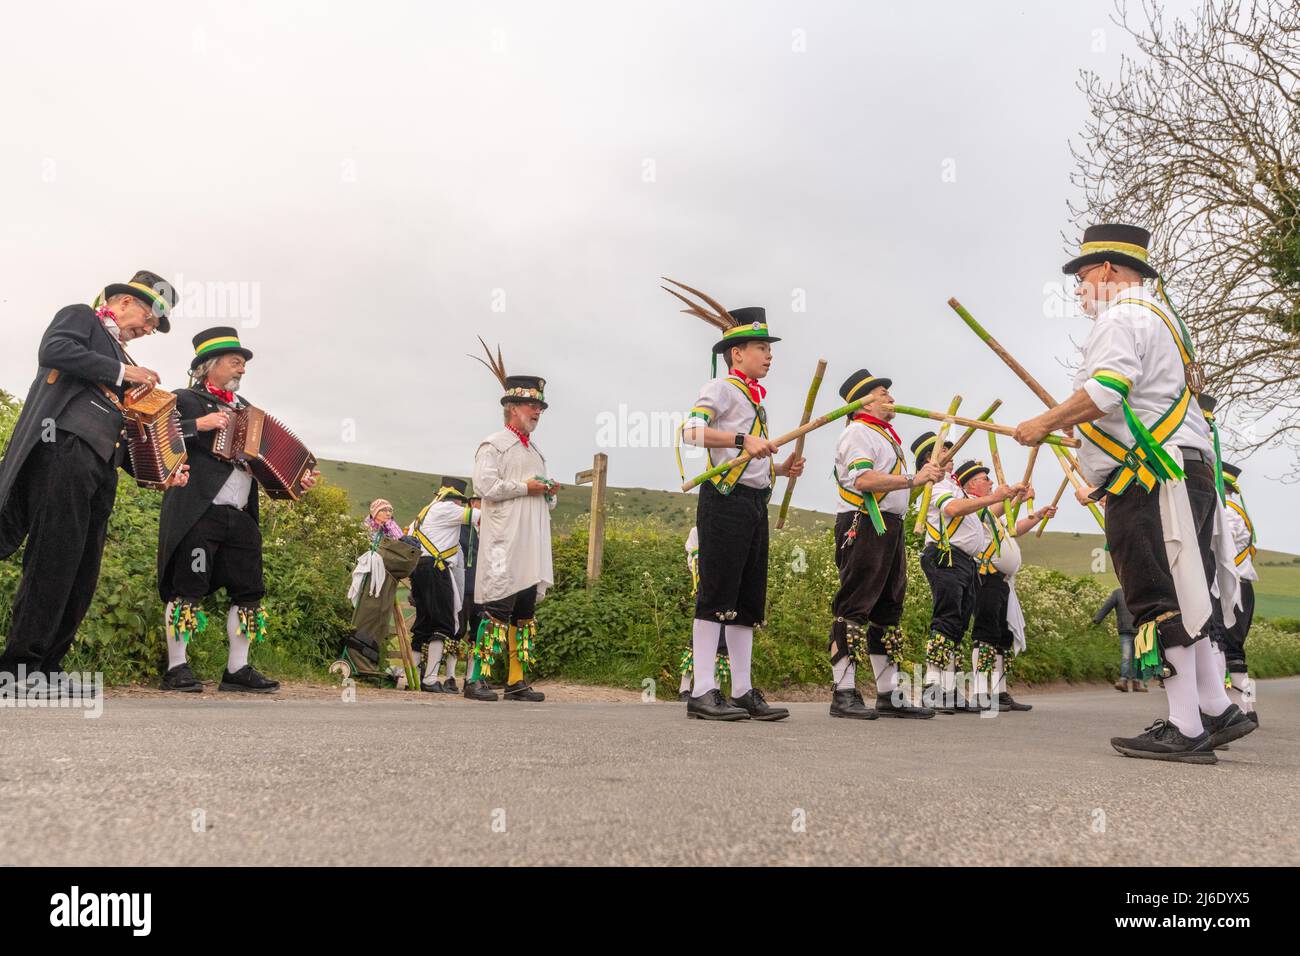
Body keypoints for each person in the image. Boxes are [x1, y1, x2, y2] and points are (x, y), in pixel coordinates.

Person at [1013, 223, 1253, 763]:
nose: (1077, 291)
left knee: (1154, 594)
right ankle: (1212, 708)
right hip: (1184, 470)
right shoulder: (1163, 319)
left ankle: (1186, 726)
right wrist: (1079, 432)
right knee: (1187, 587)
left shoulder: (1121, 316)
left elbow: (1108, 389)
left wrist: (1041, 422)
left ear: (1105, 271)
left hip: (1150, 481)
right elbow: (1135, 404)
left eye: (1080, 278)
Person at [0, 271, 186, 692]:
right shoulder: (81, 318)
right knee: (53, 559)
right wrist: (123, 372)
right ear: (121, 301)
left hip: (100, 468)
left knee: (83, 568)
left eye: (156, 323)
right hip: (63, 448)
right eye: (150, 316)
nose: (150, 328)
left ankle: (48, 668)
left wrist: (160, 473)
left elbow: (125, 434)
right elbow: (54, 349)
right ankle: (18, 669)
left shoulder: (125, 362)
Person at [156, 327, 319, 693]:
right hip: (199, 510)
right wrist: (199, 424)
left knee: (250, 592)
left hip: (241, 514)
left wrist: (298, 481)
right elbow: (156, 436)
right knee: (187, 589)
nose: (241, 369)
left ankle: (237, 669)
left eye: (243, 364)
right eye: (235, 362)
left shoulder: (248, 412)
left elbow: (271, 463)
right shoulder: (184, 399)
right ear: (209, 366)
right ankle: (176, 667)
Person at [669, 279, 804, 721]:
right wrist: (743, 438)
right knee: (716, 592)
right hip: (723, 501)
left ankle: (743, 689)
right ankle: (703, 690)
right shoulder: (721, 388)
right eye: (760, 346)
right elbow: (690, 431)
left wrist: (779, 469)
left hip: (752, 502)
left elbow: (744, 455)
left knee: (747, 598)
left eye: (769, 347)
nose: (769, 354)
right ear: (736, 353)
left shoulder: (755, 398)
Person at [827, 369, 939, 719]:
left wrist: (925, 478)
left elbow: (896, 484)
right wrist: (913, 478)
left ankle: (889, 693)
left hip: (891, 525)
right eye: (882, 393)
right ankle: (843, 692)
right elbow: (863, 479)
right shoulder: (858, 433)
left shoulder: (884, 436)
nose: (891, 397)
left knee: (889, 607)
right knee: (854, 603)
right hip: (864, 523)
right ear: (865, 401)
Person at [465, 340, 554, 703]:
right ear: (512, 408)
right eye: (532, 405)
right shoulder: (494, 445)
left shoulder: (535, 451)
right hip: (504, 540)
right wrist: (525, 486)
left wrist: (547, 490)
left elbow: (537, 496)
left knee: (524, 611)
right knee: (498, 608)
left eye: (540, 406)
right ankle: (476, 679)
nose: (537, 411)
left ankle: (516, 681)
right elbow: (484, 485)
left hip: (530, 541)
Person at [914, 440, 1024, 715]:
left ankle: (949, 689)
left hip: (964, 562)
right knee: (947, 618)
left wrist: (1008, 497)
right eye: (944, 453)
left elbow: (987, 516)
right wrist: (992, 497)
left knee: (958, 624)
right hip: (945, 555)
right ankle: (931, 687)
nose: (951, 458)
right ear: (929, 459)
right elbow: (951, 510)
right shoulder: (937, 486)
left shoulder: (958, 490)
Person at [966, 464, 1053, 712]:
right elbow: (990, 513)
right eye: (985, 479)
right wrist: (1014, 496)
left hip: (1002, 581)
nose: (991, 483)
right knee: (985, 632)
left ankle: (1000, 691)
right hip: (985, 576)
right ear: (971, 485)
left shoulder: (992, 513)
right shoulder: (971, 506)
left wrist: (1037, 515)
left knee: (1002, 635)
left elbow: (1013, 530)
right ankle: (982, 692)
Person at [407, 478, 474, 693]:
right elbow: (479, 517)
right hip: (437, 570)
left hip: (419, 568)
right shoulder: (447, 509)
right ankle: (430, 680)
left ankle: (414, 678)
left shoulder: (423, 513)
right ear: (454, 499)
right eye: (460, 501)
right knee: (442, 624)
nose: (460, 506)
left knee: (423, 624)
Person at [1220, 462, 1258, 722]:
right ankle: (1249, 709)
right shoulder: (1236, 509)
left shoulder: (1228, 512)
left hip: (1231, 587)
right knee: (1235, 651)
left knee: (1230, 651)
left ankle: (1239, 712)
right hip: (1241, 586)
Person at [676, 525, 730, 701]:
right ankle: (685, 687)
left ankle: (714, 688)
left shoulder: (733, 529)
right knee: (701, 635)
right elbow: (693, 559)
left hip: (729, 587)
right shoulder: (698, 530)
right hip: (707, 586)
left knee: (723, 638)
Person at [1094, 588, 1145, 693]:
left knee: (1137, 658)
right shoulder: (1118, 593)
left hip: (1139, 630)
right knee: (1126, 657)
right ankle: (1124, 682)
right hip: (1125, 630)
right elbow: (1107, 606)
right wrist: (1097, 618)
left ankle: (1136, 683)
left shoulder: (1138, 591)